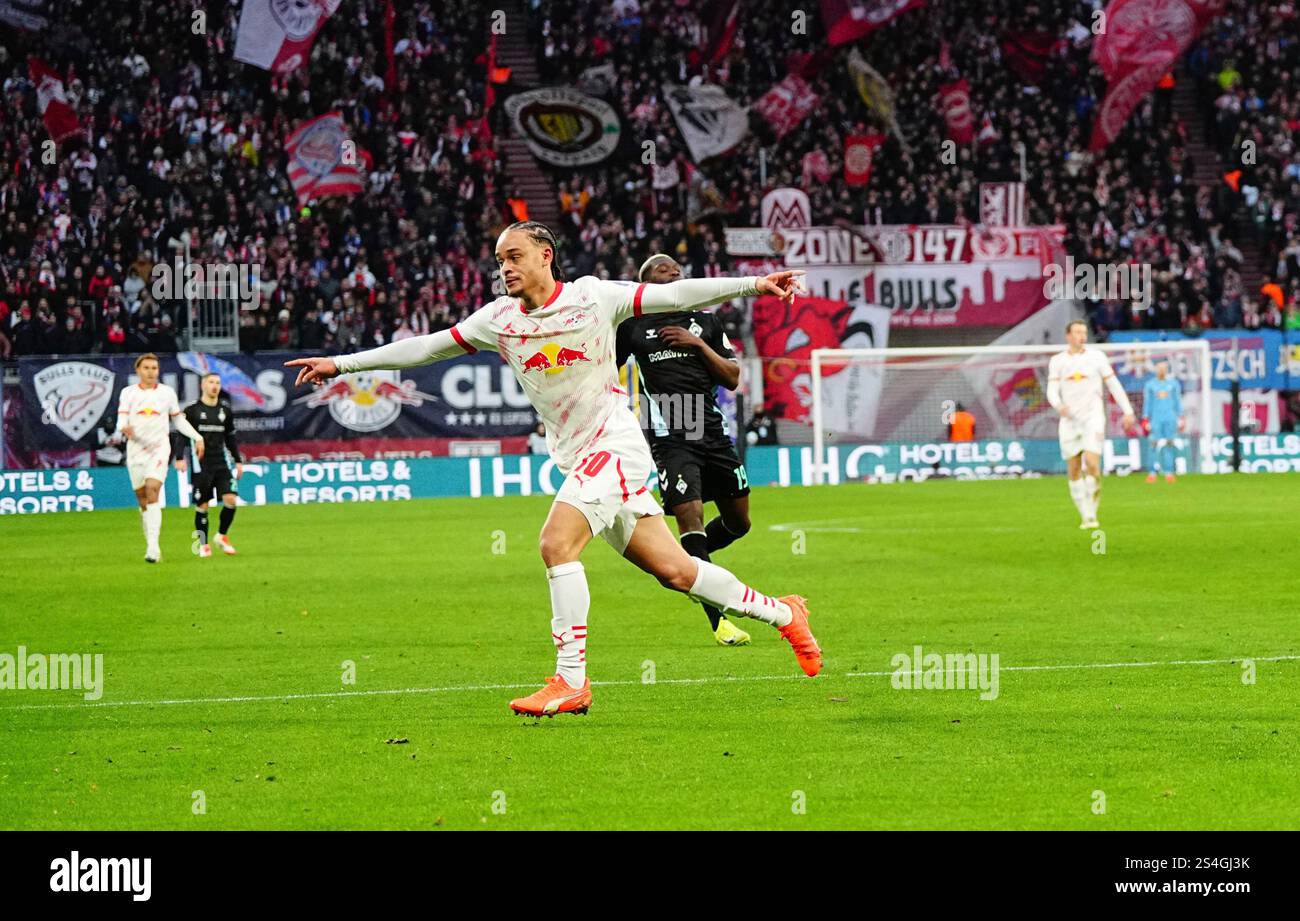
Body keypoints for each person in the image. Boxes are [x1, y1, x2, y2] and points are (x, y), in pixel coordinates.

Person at [286, 222, 822, 717]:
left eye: (515, 256)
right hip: (578, 454)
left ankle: (571, 681)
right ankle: (784, 613)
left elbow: (674, 295)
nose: (505, 268)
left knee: (555, 544)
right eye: (500, 260)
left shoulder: (594, 297)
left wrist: (755, 284)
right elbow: (426, 348)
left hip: (615, 445)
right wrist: (342, 364)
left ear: (546, 256)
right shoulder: (499, 319)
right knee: (677, 572)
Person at [616, 253, 753, 647]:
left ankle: (688, 560)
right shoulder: (633, 327)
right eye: (663, 268)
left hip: (710, 428)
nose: (675, 270)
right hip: (669, 431)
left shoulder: (706, 321)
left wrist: (696, 343)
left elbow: (732, 377)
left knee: (739, 523)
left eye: (678, 267)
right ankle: (719, 622)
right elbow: (607, 369)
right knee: (689, 517)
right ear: (645, 284)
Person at [114, 353, 205, 562]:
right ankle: (151, 544)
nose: (150, 372)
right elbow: (121, 420)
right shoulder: (128, 393)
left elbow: (178, 421)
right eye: (146, 368)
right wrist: (123, 428)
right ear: (138, 371)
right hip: (136, 449)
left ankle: (153, 549)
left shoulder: (166, 393)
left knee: (152, 489)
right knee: (142, 499)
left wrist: (197, 437)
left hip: (159, 448)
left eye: (154, 368)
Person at [1046, 321, 1136, 529]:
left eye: (1084, 332)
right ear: (1068, 336)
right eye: (1077, 332)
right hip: (1069, 421)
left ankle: (1091, 513)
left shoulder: (1097, 357)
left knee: (1093, 464)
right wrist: (1059, 405)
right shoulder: (1057, 361)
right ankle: (1084, 513)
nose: (1082, 336)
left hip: (1092, 418)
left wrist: (1128, 410)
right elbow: (1052, 389)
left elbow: (1113, 384)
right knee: (1074, 469)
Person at [173, 372, 244, 557]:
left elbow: (230, 437)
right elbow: (182, 434)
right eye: (211, 382)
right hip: (200, 464)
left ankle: (221, 536)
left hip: (221, 462)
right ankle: (203, 544)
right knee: (203, 504)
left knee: (230, 499)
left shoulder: (225, 411)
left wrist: (238, 461)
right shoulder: (192, 410)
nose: (215, 386)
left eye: (218, 383)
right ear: (203, 385)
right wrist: (179, 457)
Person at [1141, 361, 1184, 483]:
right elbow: (1148, 402)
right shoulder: (1150, 385)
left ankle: (1169, 472)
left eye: (1164, 368)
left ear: (1167, 370)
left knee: (1169, 444)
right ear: (1155, 370)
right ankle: (1152, 472)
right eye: (1159, 368)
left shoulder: (1173, 384)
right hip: (1156, 418)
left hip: (1170, 418)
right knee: (1153, 444)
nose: (1161, 371)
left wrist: (1180, 417)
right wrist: (1145, 418)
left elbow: (1177, 401)